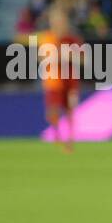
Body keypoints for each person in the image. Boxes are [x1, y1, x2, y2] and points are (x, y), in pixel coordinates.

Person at [40, 8, 80, 154]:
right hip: (53, 81)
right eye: (55, 21)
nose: (58, 24)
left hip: (70, 82)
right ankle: (58, 136)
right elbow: (43, 58)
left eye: (61, 21)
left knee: (70, 112)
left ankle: (69, 142)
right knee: (52, 112)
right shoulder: (48, 38)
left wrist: (66, 57)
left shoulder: (72, 39)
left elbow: (81, 58)